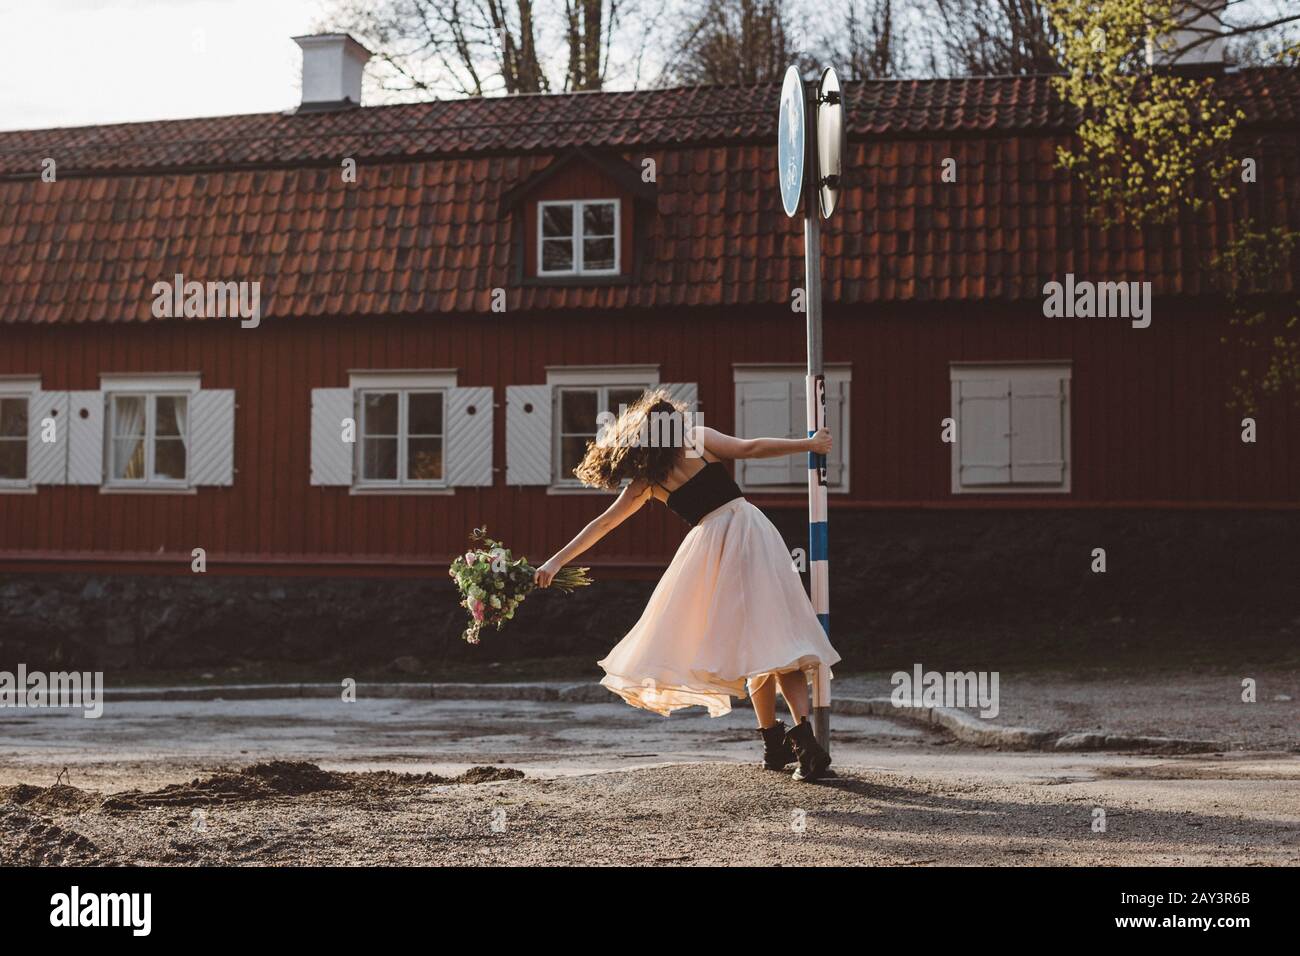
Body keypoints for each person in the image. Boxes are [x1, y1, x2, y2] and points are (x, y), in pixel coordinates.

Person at [533, 388, 841, 782]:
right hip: (748, 530)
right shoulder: (697, 438)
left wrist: (555, 561)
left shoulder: (647, 481)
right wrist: (808, 443)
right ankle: (803, 744)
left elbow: (603, 524)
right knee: (776, 637)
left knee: (757, 645)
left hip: (708, 547)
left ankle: (773, 743)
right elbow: (751, 447)